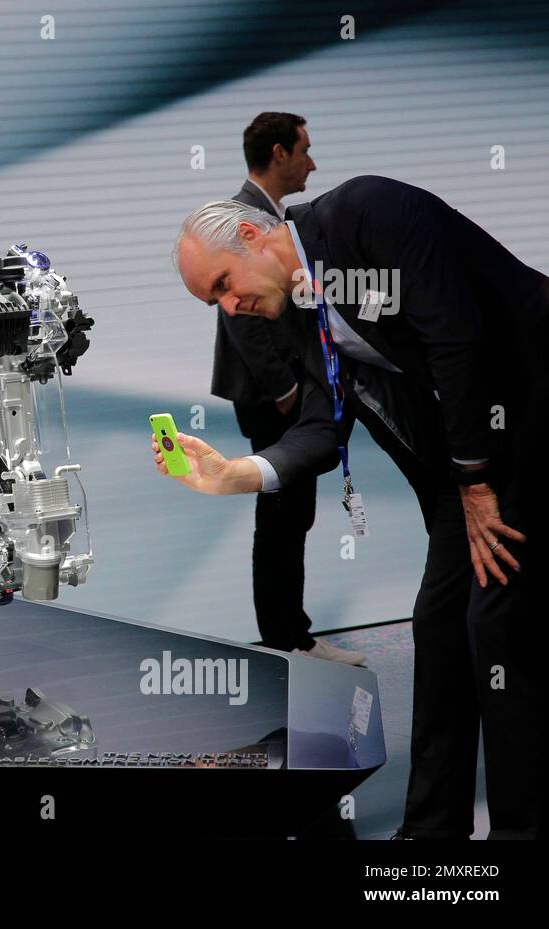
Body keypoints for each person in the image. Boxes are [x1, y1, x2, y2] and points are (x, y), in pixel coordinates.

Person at [163, 177, 547, 838]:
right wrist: (238, 472)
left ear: (253, 235)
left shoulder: (369, 215)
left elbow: (457, 336)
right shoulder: (291, 312)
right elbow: (322, 422)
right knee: (439, 620)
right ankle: (432, 831)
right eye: (213, 301)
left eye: (224, 283)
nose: (230, 306)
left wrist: (475, 479)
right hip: (476, 453)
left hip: (532, 398)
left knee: (496, 619)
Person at [210, 113, 361, 665]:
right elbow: (241, 318)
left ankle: (289, 634)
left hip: (282, 391)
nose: (312, 163)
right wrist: (286, 390)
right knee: (282, 516)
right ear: (279, 153)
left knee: (289, 515)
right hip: (272, 396)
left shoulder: (270, 215)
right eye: (305, 150)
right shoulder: (244, 219)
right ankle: (286, 641)